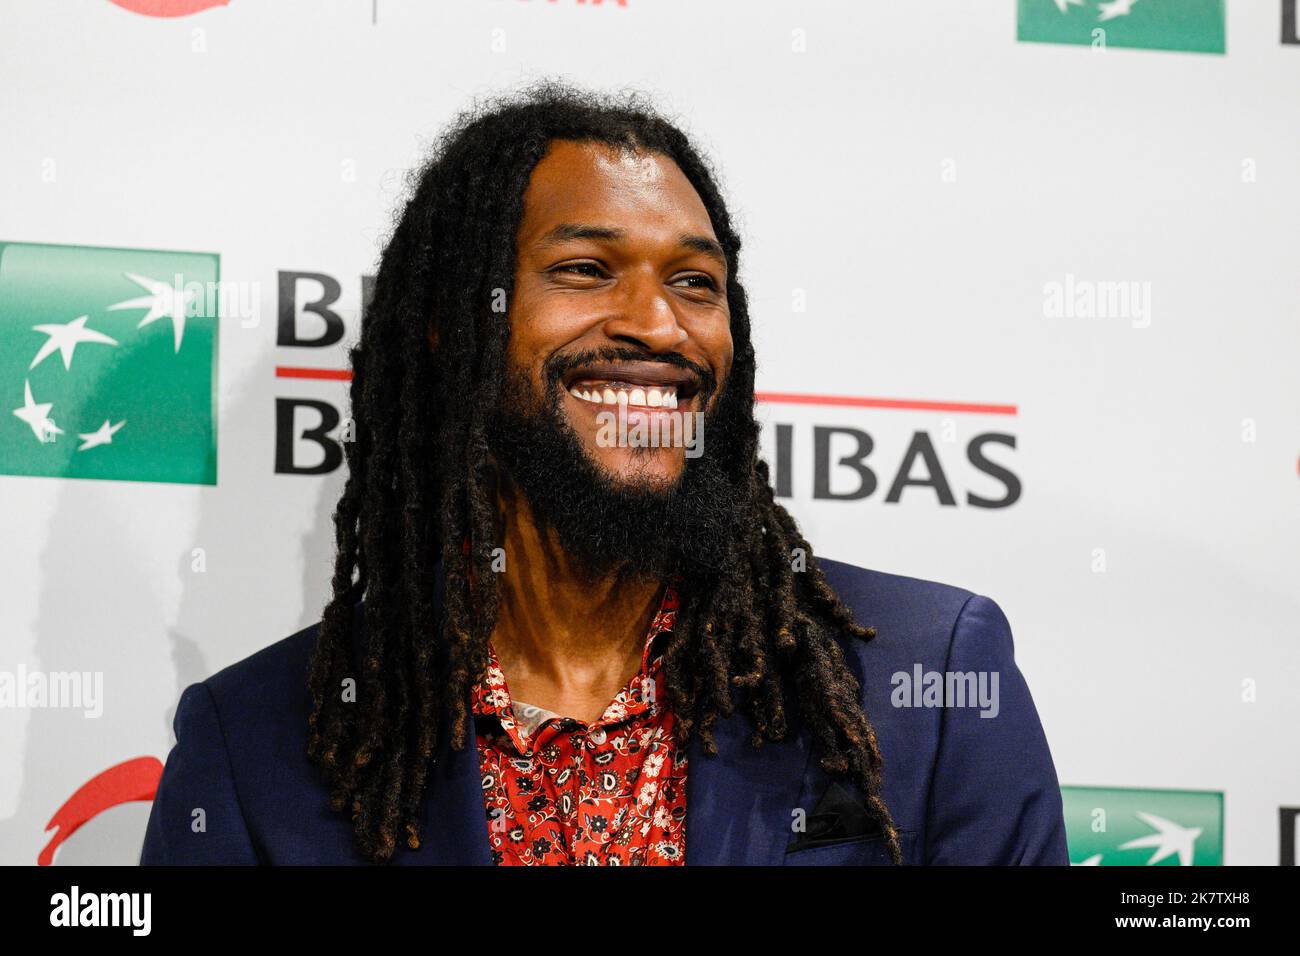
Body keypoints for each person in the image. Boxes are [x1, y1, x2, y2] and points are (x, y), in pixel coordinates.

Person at [141, 82, 1068, 866]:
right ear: (455, 326)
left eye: (695, 283)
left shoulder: (928, 682)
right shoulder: (257, 746)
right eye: (586, 269)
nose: (660, 325)